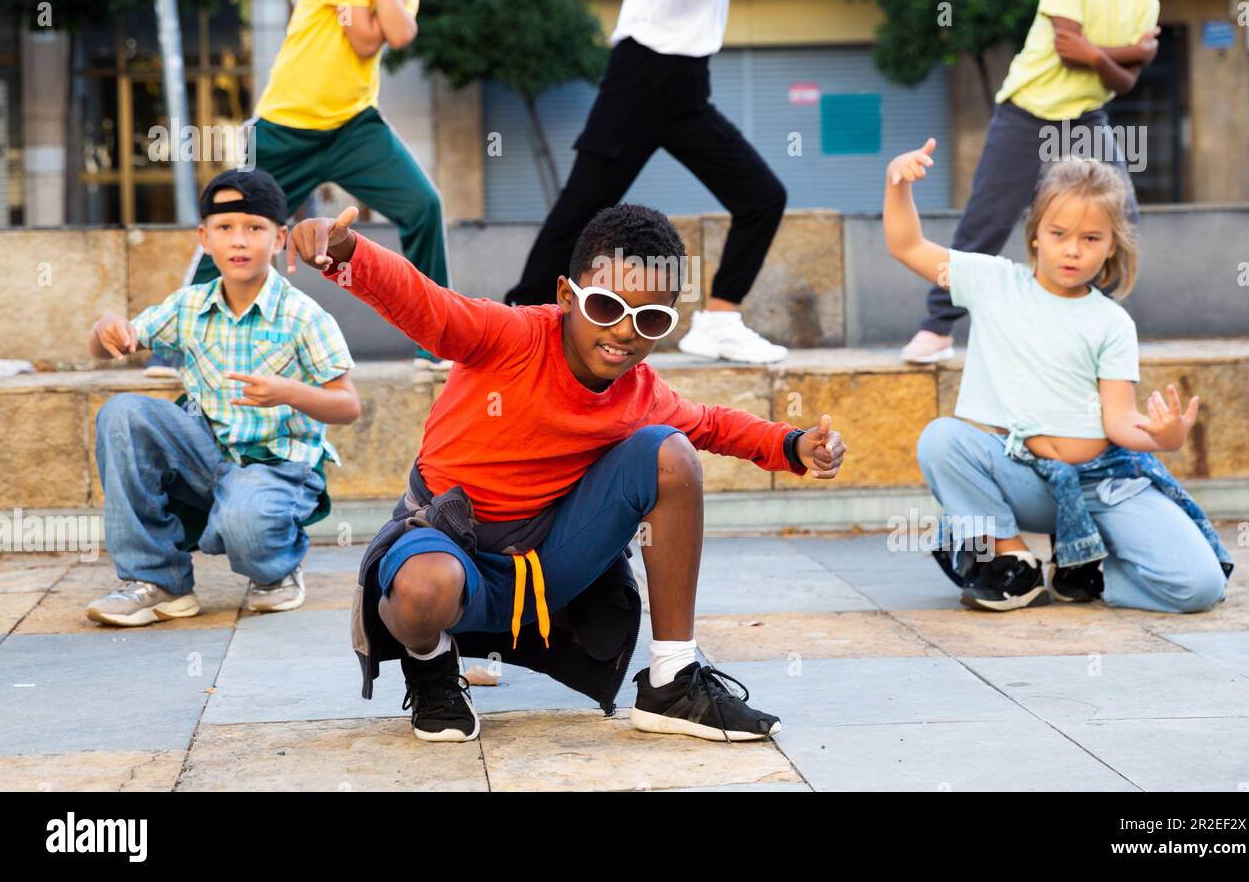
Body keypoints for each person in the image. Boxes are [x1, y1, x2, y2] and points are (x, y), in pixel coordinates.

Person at [289, 201, 847, 742]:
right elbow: (426, 304)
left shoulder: (640, 392)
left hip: (545, 565)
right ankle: (430, 663)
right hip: (446, 549)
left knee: (671, 451)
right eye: (607, 306)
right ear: (566, 295)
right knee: (425, 588)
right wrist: (346, 252)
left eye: (650, 317)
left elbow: (713, 424)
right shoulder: (507, 335)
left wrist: (794, 444)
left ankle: (672, 681)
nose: (626, 331)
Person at [885, 142, 1230, 613]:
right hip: (1027, 481)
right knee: (941, 439)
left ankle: (1089, 569)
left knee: (1199, 587)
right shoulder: (994, 283)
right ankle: (1014, 561)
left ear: (1112, 246)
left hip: (1105, 485)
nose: (1072, 249)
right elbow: (906, 246)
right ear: (1035, 236)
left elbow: (1119, 421)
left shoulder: (1111, 323)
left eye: (1091, 238)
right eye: (1059, 233)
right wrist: (898, 183)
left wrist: (1162, 438)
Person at [152, 0, 448, 376]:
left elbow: (400, 33)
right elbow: (365, 40)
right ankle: (173, 347)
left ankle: (436, 342)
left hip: (355, 127)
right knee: (237, 224)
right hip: (286, 129)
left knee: (423, 205)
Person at [504, 0, 792, 364]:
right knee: (579, 207)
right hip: (635, 83)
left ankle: (720, 320)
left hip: (688, 92)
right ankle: (515, 321)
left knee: (763, 196)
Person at [903, 0, 1166, 364]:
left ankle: (1092, 323)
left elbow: (1124, 83)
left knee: (1121, 215)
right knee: (987, 222)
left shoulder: (1145, 0)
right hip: (1028, 112)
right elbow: (1071, 51)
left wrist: (1104, 53)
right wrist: (1127, 51)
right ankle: (936, 327)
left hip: (1087, 119)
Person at [85, 169, 360, 626]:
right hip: (208, 458)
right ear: (204, 238)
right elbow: (115, 345)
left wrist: (289, 393)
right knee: (123, 412)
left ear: (279, 239)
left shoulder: (303, 316)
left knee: (246, 519)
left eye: (254, 228)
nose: (239, 241)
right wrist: (104, 329)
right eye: (225, 229)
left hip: (278, 468)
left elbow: (348, 405)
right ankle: (158, 582)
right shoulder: (189, 305)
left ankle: (275, 571)